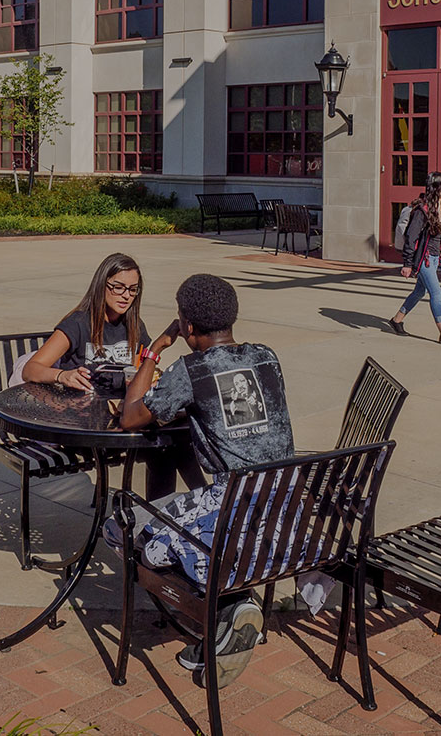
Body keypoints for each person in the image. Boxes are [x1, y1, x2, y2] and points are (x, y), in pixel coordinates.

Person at [116, 273, 294, 688]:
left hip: (234, 508)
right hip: (284, 507)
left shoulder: (189, 369)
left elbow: (130, 416)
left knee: (128, 531)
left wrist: (157, 347)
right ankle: (232, 611)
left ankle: (226, 609)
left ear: (187, 326)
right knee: (181, 514)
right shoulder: (266, 355)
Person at [20, 253, 156, 391]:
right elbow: (30, 369)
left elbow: (137, 370)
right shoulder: (78, 323)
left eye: (132, 290)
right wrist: (62, 375)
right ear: (102, 285)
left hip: (121, 407)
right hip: (79, 406)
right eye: (118, 287)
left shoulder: (135, 326)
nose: (126, 295)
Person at [386, 172, 441, 344]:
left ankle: (396, 320)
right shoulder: (423, 210)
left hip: (435, 258)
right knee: (436, 292)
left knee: (419, 291)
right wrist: (407, 263)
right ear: (436, 188)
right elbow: (411, 238)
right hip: (423, 259)